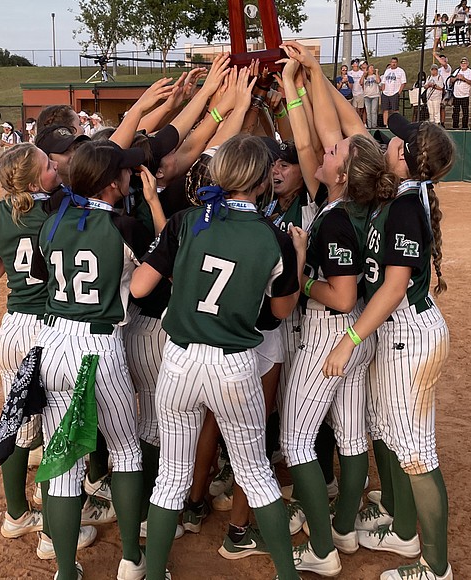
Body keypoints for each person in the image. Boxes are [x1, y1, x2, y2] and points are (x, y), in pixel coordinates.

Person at [132, 134, 304, 580]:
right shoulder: (274, 235)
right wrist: (298, 262)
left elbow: (139, 287)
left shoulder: (188, 220)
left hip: (180, 359)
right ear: (262, 178)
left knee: (172, 476)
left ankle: (154, 575)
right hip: (234, 363)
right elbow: (282, 312)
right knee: (257, 474)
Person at [324, 112, 456, 580]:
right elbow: (349, 124)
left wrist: (349, 340)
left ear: (403, 155)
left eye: (397, 139)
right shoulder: (402, 192)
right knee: (396, 437)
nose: (389, 141)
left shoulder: (404, 206)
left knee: (418, 453)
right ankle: (403, 531)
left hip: (410, 338)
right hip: (398, 336)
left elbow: (394, 286)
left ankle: (435, 566)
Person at [275, 46, 378, 578]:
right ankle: (344, 525)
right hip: (357, 337)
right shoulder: (350, 202)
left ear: (341, 173)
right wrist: (298, 83)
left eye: (334, 152)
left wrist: (301, 269)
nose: (323, 149)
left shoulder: (336, 219)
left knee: (296, 440)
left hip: (328, 335)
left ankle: (321, 547)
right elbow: (305, 136)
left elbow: (338, 294)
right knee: (352, 435)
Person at [0, 142, 99, 563]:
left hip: (12, 329)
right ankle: (51, 532)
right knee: (54, 427)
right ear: (31, 179)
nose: (56, 168)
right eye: (48, 165)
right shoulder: (59, 209)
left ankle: (16, 515)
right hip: (49, 328)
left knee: (19, 424)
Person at [30, 140, 150, 580]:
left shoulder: (52, 221)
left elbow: (43, 276)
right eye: (124, 173)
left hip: (53, 341)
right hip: (99, 346)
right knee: (125, 451)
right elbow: (148, 283)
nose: (129, 177)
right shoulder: (125, 225)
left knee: (63, 463)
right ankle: (132, 560)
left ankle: (65, 570)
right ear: (111, 183)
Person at [381, 57, 407, 127]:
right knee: (385, 110)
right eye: (392, 62)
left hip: (394, 92)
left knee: (395, 110)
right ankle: (386, 124)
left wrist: (399, 92)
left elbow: (403, 82)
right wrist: (383, 90)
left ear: (397, 63)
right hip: (386, 93)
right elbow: (383, 82)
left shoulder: (400, 71)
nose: (393, 64)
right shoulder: (387, 71)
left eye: (395, 62)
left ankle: (396, 124)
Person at [451, 57, 471, 129]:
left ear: (467, 64)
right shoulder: (457, 70)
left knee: (465, 113)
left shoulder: (470, 72)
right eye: (462, 63)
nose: (463, 64)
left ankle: (464, 127)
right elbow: (451, 79)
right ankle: (455, 126)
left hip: (465, 95)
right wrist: (456, 78)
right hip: (456, 95)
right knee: (455, 113)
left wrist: (463, 79)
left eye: (465, 63)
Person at [432, 52, 453, 126]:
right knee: (436, 107)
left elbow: (444, 64)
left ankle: (442, 123)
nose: (442, 61)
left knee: (442, 107)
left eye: (444, 59)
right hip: (436, 90)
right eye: (441, 59)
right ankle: (435, 121)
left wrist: (435, 56)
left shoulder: (447, 68)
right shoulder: (438, 70)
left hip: (444, 90)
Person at [363, 64, 381, 129]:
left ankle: (374, 125)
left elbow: (378, 81)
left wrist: (376, 73)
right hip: (367, 96)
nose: (372, 69)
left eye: (373, 68)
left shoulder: (375, 76)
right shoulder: (365, 77)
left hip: (374, 95)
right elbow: (361, 83)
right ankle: (369, 126)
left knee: (373, 111)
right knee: (368, 112)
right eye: (371, 68)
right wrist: (364, 74)